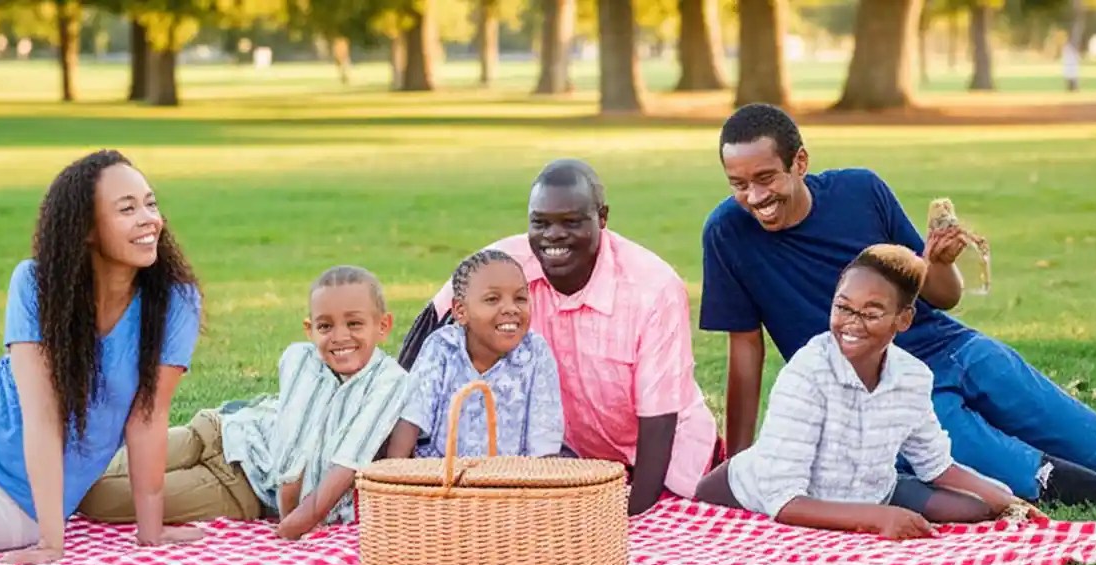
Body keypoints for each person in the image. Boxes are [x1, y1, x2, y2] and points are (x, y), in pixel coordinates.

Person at [702, 103, 1096, 507]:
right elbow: (745, 349)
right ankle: (907, 453)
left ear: (800, 162)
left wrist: (941, 263)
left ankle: (908, 459)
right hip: (886, 385)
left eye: (765, 178)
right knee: (1017, 479)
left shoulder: (861, 191)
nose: (754, 197)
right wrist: (740, 465)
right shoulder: (727, 233)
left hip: (952, 347)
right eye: (738, 184)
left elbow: (942, 296)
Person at [0, 149, 204, 564]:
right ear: (87, 229)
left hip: (15, 499)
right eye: (126, 208)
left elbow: (148, 417)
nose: (149, 219)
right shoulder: (36, 282)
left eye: (150, 203)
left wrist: (148, 533)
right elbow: (42, 413)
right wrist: (53, 544)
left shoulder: (175, 301)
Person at [399, 160, 720, 514]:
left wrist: (635, 512)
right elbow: (433, 321)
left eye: (571, 222)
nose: (553, 235)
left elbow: (660, 415)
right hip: (576, 460)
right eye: (540, 222)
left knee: (666, 542)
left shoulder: (653, 287)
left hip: (663, 460)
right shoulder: (508, 266)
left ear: (602, 218)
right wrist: (391, 471)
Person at [694, 245, 1047, 539]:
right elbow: (784, 502)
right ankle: (882, 505)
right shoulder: (808, 372)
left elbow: (937, 465)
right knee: (910, 518)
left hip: (867, 489)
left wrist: (1009, 501)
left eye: (871, 312)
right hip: (758, 496)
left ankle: (894, 495)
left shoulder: (911, 377)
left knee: (976, 509)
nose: (851, 322)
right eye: (843, 307)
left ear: (903, 320)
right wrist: (878, 519)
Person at [81, 265, 409, 541]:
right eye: (325, 326)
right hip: (217, 432)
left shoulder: (390, 382)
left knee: (96, 497)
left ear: (383, 326)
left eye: (354, 324)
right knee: (90, 470)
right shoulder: (300, 358)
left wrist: (291, 526)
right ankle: (39, 479)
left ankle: (48, 493)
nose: (339, 337)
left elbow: (348, 461)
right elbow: (293, 440)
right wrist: (290, 517)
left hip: (238, 486)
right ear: (310, 329)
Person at [387, 250, 564, 459]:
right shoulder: (443, 346)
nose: (511, 308)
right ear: (460, 311)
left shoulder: (534, 352)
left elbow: (545, 438)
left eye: (520, 298)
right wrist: (393, 477)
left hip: (512, 480)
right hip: (439, 479)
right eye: (492, 299)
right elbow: (412, 417)